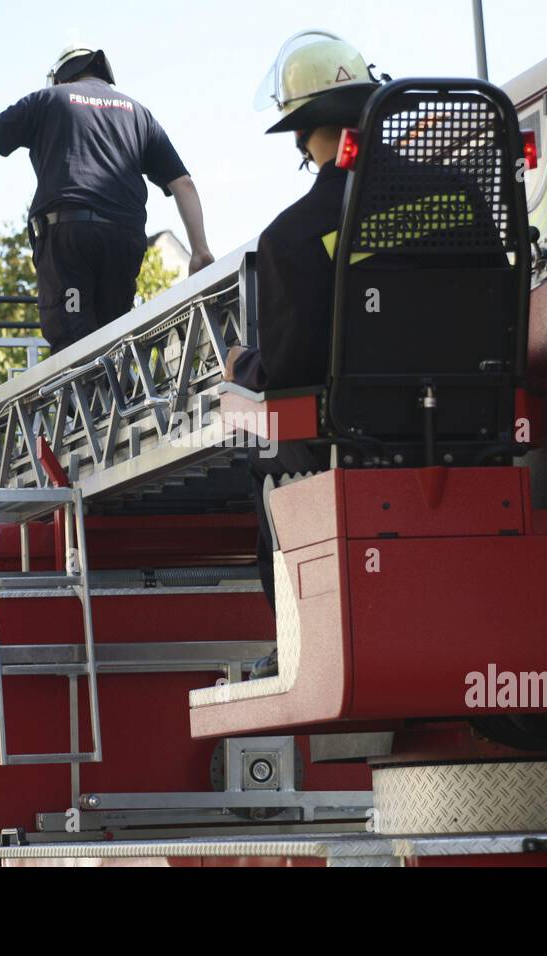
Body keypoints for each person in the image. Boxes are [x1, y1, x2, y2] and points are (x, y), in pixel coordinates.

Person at [223, 32, 383, 678]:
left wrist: (241, 369)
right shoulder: (464, 192)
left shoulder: (291, 237)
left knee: (256, 431)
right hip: (473, 429)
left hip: (357, 438)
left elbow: (289, 374)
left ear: (301, 134)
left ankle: (298, 633)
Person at [0, 45, 214, 351]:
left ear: (62, 76)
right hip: (124, 240)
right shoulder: (139, 113)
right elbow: (184, 183)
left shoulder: (48, 99)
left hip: (69, 239)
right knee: (115, 339)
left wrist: (28, 122)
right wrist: (200, 250)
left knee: (73, 342)